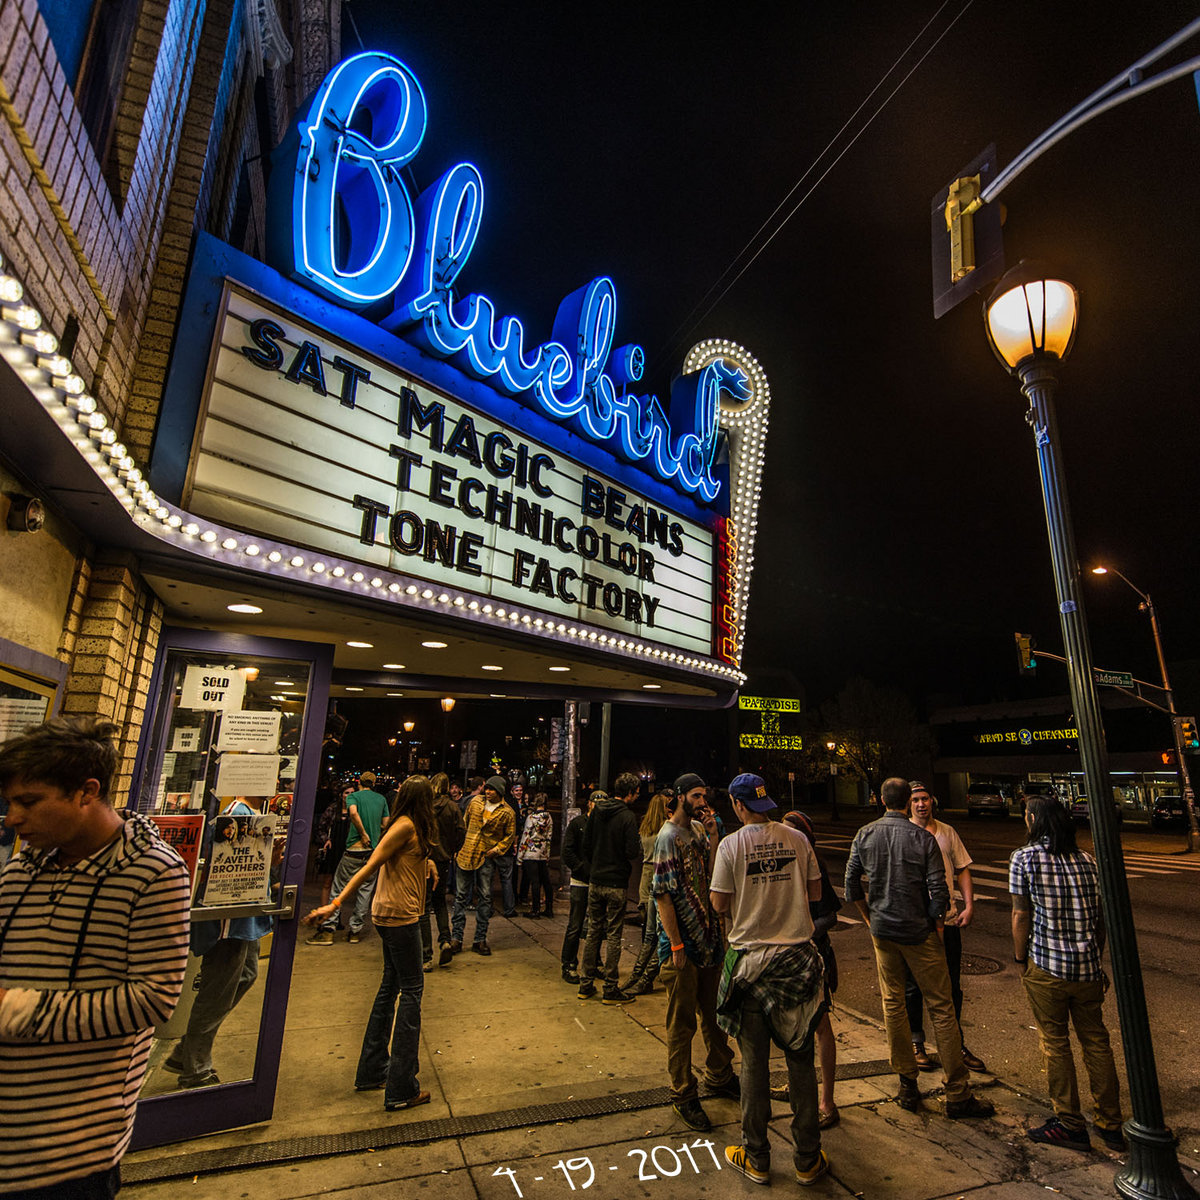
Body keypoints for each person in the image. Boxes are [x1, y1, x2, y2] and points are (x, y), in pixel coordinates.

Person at [0, 717, 191, 1197]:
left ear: (87, 792)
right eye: (9, 804)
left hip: (64, 1150)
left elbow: (152, 1000)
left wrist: (12, 1009)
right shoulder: (26, 863)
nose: (12, 819)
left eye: (28, 802)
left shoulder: (153, 873)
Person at [844, 776, 994, 1119]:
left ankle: (907, 1084)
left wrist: (868, 918)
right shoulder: (922, 838)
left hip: (884, 932)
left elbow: (851, 884)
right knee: (942, 1007)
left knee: (893, 1004)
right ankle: (957, 1091)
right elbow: (938, 890)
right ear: (905, 802)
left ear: (882, 801)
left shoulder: (865, 834)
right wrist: (937, 927)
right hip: (919, 931)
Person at [711, 774, 829, 1187]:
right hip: (797, 963)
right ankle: (807, 1160)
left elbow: (718, 903)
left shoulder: (730, 845)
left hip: (750, 965)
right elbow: (815, 896)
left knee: (754, 1066)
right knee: (800, 1061)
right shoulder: (798, 839)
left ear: (736, 805)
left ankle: (757, 1157)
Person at [303, 775, 438, 1111]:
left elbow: (406, 858)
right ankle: (401, 1087)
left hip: (392, 915)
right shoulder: (404, 826)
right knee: (411, 992)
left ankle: (373, 1070)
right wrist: (334, 905)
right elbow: (369, 866)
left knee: (389, 987)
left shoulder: (410, 826)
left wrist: (428, 862)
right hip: (400, 917)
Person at [1010, 795, 1124, 1151]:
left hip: (1047, 965)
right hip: (1087, 968)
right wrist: (1096, 958)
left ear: (1033, 820)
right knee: (1096, 1041)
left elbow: (1020, 914)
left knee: (1055, 1043)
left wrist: (1020, 958)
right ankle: (1110, 1121)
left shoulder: (1024, 858)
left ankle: (1070, 1122)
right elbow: (1100, 920)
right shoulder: (1087, 861)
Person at [652, 771, 738, 1132]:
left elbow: (715, 873)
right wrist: (675, 944)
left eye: (705, 797)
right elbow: (662, 895)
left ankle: (720, 1074)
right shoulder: (667, 837)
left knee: (716, 1014)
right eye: (697, 796)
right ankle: (684, 1093)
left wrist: (715, 835)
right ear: (681, 796)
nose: (703, 803)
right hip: (682, 945)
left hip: (709, 941)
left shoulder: (700, 832)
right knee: (682, 1022)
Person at [167, 798, 271, 1088]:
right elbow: (225, 866)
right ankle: (196, 1070)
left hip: (244, 916)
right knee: (217, 990)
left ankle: (186, 1049)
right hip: (228, 917)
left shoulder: (251, 814)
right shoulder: (236, 813)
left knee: (246, 976)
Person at [904, 782, 987, 1073]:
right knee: (913, 986)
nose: (921, 804)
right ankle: (916, 1042)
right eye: (915, 799)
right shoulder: (903, 831)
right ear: (908, 803)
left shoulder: (947, 832)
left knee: (952, 984)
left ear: (932, 801)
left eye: (925, 798)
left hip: (948, 919)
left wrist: (969, 904)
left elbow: (962, 868)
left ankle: (955, 1043)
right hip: (917, 923)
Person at [775, 810, 843, 1130]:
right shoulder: (784, 863)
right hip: (789, 958)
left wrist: (803, 931)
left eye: (791, 832)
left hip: (815, 957)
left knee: (820, 1026)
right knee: (792, 1027)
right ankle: (799, 1083)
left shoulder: (815, 866)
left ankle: (827, 1101)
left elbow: (830, 917)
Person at [578, 774, 642, 1004]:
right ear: (630, 792)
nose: (637, 796)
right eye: (636, 792)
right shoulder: (627, 817)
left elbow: (586, 844)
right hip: (616, 882)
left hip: (596, 880)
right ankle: (610, 987)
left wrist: (596, 862)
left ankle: (585, 983)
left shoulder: (597, 812)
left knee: (594, 930)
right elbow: (632, 852)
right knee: (614, 934)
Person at [308, 771, 388, 945]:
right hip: (371, 852)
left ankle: (328, 930)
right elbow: (385, 824)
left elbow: (352, 813)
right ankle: (355, 931)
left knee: (338, 888)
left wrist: (363, 833)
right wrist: (374, 832)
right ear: (374, 783)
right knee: (365, 891)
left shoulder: (355, 797)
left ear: (359, 782)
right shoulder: (381, 800)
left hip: (354, 849)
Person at [450, 776, 515, 956]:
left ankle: (480, 939)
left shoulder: (507, 812)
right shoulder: (475, 802)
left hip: (486, 857)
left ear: (500, 792)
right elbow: (464, 822)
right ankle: (456, 938)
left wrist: (497, 850)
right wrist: (458, 845)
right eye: (487, 789)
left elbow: (509, 836)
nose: (487, 792)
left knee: (485, 897)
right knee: (461, 896)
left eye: (492, 790)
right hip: (467, 852)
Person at [622, 790, 671, 995]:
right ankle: (645, 977)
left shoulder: (645, 828)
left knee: (649, 932)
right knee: (662, 933)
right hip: (661, 878)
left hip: (646, 878)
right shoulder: (666, 831)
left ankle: (638, 975)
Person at [419, 773, 465, 971]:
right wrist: (453, 850)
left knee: (424, 906)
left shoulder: (425, 807)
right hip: (444, 859)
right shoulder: (453, 807)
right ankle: (445, 939)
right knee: (440, 902)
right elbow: (461, 832)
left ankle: (426, 954)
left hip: (425, 859)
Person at [559, 793, 593, 984]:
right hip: (580, 881)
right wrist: (581, 868)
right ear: (589, 804)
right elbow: (567, 851)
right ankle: (569, 963)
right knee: (576, 924)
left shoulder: (602, 826)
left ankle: (593, 963)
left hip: (596, 881)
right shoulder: (578, 824)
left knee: (595, 927)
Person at [517, 792, 553, 918]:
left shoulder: (531, 818)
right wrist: (547, 854)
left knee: (535, 881)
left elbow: (526, 836)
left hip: (531, 852)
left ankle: (535, 909)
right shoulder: (548, 817)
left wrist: (520, 856)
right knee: (546, 881)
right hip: (542, 851)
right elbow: (549, 837)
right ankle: (549, 908)